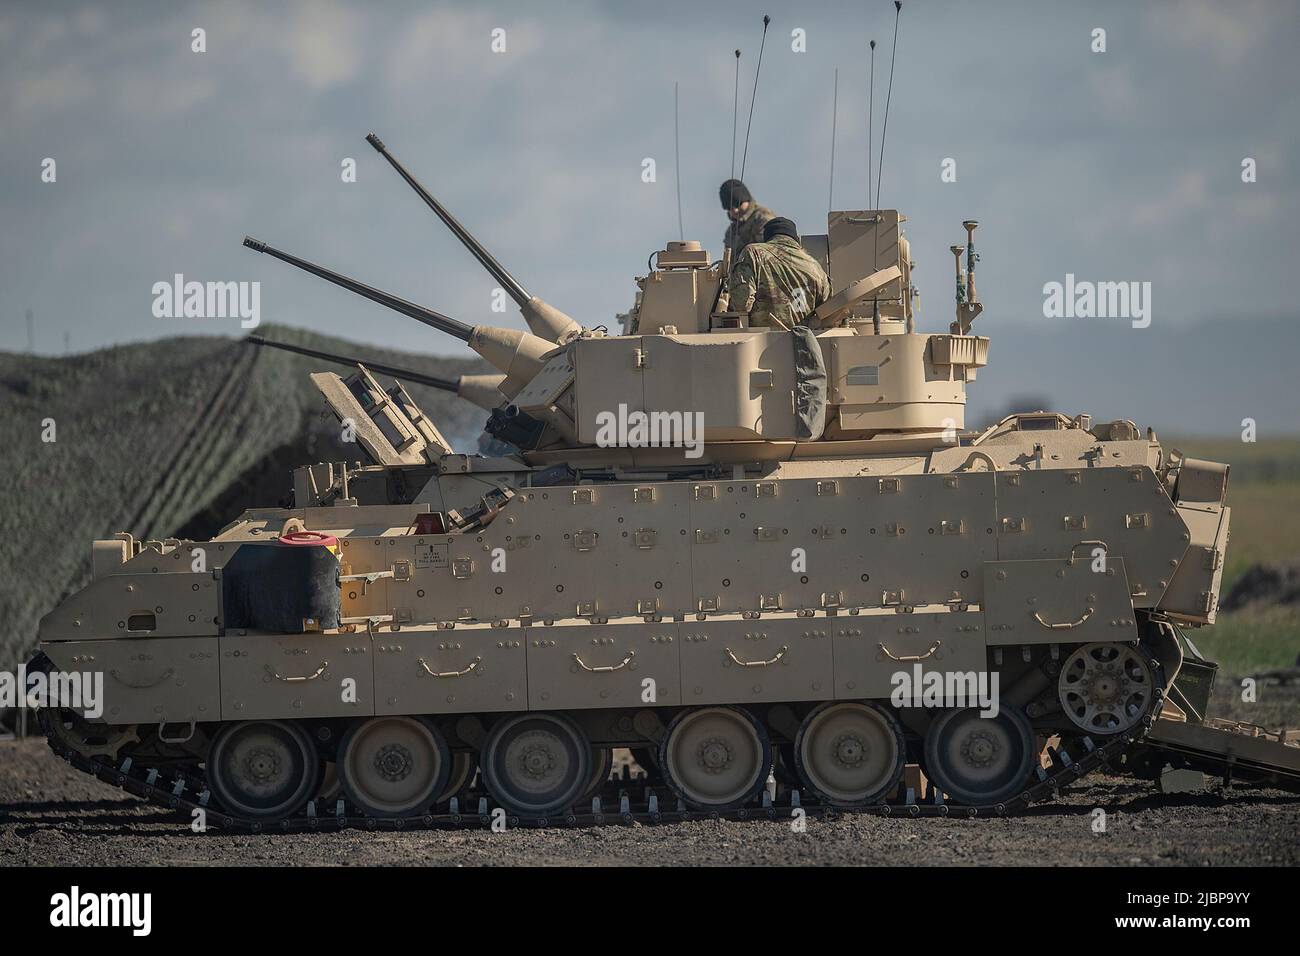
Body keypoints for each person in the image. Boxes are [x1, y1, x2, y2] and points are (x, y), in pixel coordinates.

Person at [727, 217, 831, 329]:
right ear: (795, 238)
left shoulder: (754, 253)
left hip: (762, 342)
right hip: (802, 342)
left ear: (768, 237)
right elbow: (826, 314)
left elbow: (742, 304)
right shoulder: (816, 268)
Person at [719, 179, 774, 258]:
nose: (735, 210)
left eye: (738, 204)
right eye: (729, 208)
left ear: (746, 199)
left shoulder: (763, 218)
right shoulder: (731, 231)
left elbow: (770, 251)